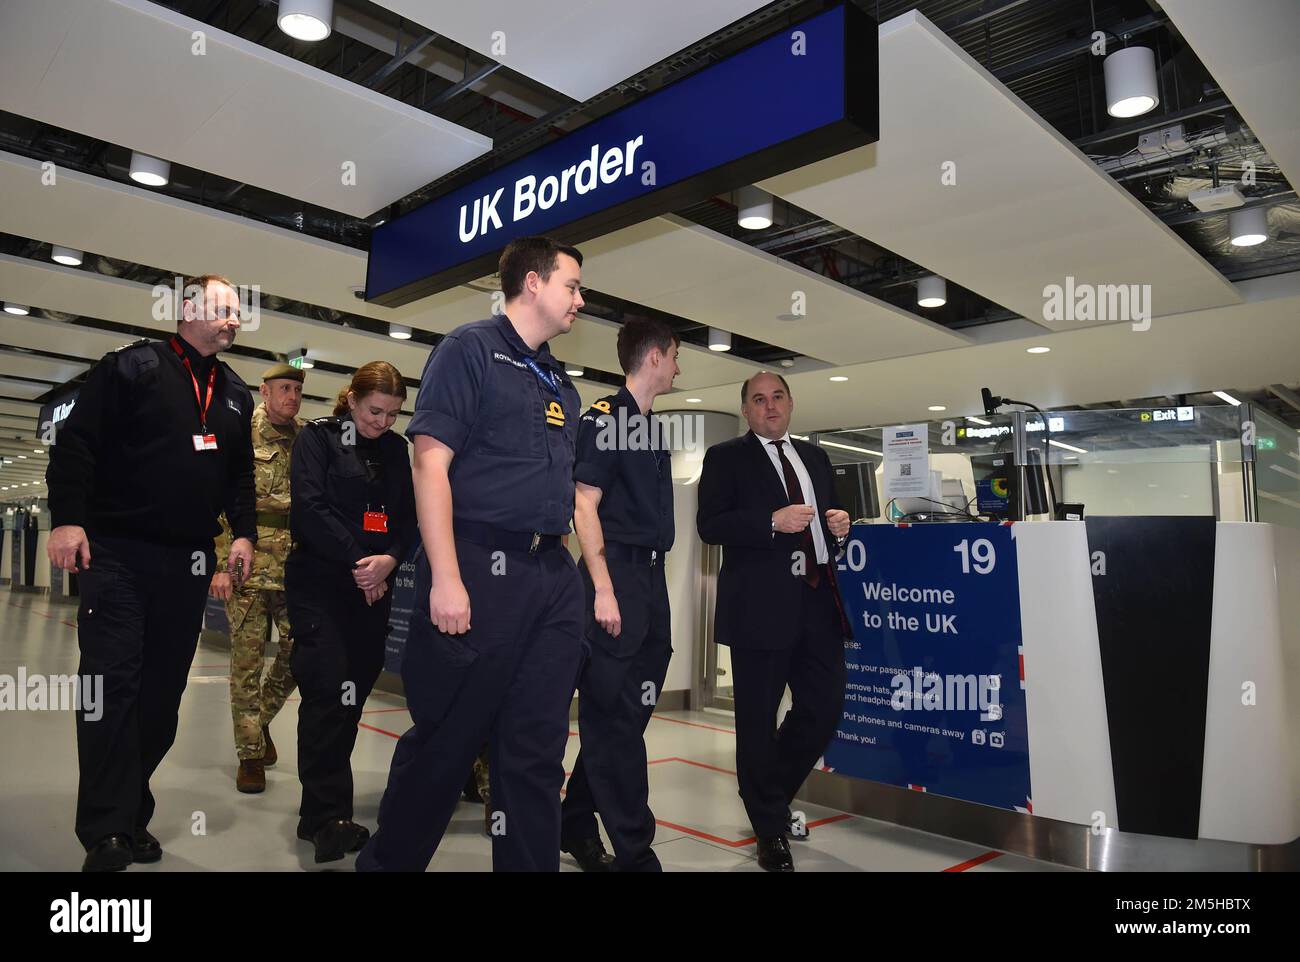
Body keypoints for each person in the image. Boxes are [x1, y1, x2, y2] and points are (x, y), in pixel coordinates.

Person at [357, 235, 585, 873]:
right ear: (533, 283)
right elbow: (430, 464)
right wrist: (446, 579)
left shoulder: (558, 380)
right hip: (482, 569)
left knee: (536, 751)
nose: (581, 300)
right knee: (446, 743)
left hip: (550, 575)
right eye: (572, 285)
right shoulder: (469, 350)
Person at [45, 274, 256, 872]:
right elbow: (76, 446)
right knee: (112, 691)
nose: (235, 321)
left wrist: (242, 532)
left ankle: (132, 811)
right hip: (116, 555)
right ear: (187, 309)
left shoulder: (237, 394)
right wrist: (67, 522)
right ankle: (106, 830)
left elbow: (239, 476)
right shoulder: (131, 369)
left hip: (186, 566)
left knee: (161, 700)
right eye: (224, 310)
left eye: (239, 313)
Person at [695, 372, 852, 872]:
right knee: (756, 721)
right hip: (759, 610)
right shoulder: (726, 458)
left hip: (817, 603)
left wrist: (840, 527)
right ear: (745, 410)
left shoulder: (816, 457)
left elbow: (827, 524)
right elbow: (710, 524)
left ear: (791, 403)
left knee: (825, 707)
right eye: (758, 400)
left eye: (777, 397)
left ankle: (766, 794)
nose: (769, 407)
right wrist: (770, 521)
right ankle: (769, 827)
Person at [560, 318, 680, 872]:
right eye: (675, 355)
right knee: (613, 721)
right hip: (617, 580)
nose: (678, 367)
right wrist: (603, 590)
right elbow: (584, 504)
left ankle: (575, 821)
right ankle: (637, 851)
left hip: (651, 581)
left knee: (625, 716)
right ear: (654, 357)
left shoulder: (652, 428)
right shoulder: (607, 420)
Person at [284, 362, 416, 864]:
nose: (382, 422)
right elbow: (309, 508)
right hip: (322, 586)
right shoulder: (318, 439)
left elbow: (407, 519)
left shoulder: (395, 451)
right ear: (352, 400)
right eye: (374, 411)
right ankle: (326, 818)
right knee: (325, 695)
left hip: (374, 589)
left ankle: (319, 809)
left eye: (392, 414)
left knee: (351, 698)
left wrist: (389, 560)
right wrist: (359, 562)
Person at [210, 363, 306, 794]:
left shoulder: (307, 438)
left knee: (298, 652)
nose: (292, 396)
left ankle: (258, 722)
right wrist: (219, 566)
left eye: (298, 390)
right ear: (264, 391)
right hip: (246, 565)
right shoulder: (240, 433)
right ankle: (250, 756)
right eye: (284, 388)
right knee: (246, 665)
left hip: (292, 566)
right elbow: (216, 501)